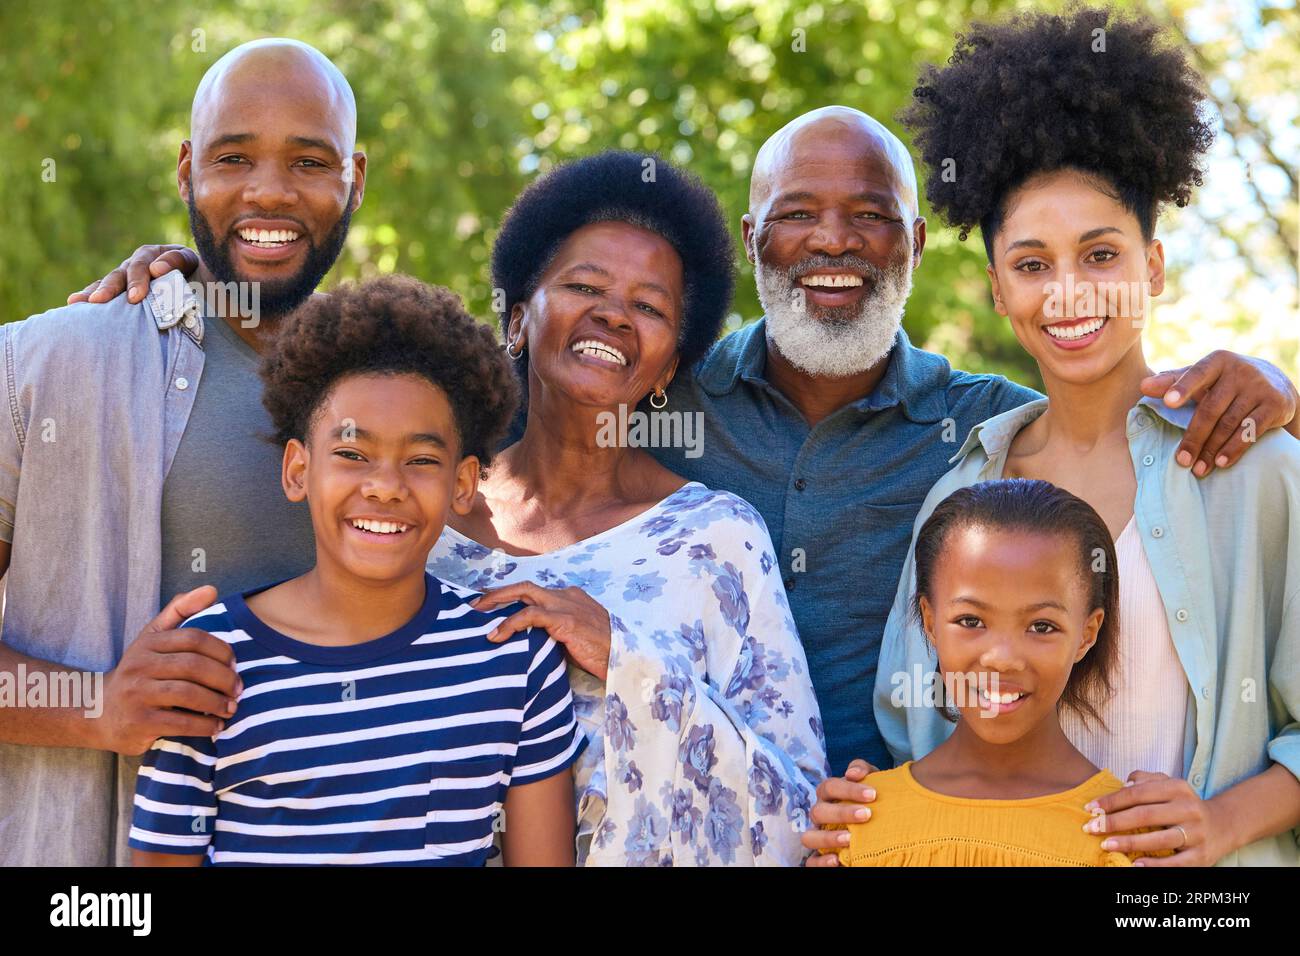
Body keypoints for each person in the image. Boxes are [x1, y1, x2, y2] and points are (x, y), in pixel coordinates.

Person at [867, 6, 1300, 866]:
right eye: (1033, 265)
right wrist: (870, 802)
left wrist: (1226, 820)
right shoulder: (960, 497)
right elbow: (913, 729)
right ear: (997, 289)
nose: (1068, 295)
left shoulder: (1254, 466)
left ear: (1154, 267)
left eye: (1100, 256)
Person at [0, 38, 366, 865]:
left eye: (310, 161)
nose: (268, 191)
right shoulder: (49, 366)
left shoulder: (412, 395)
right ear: (185, 170)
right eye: (233, 157)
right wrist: (94, 708)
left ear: (356, 180)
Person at [427, 151, 827, 865]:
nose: (613, 314)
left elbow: (797, 815)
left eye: (649, 306)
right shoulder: (428, 522)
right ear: (518, 320)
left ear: (669, 364)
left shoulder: (717, 541)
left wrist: (624, 655)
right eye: (584, 286)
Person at [129, 274, 582, 866]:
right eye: (351, 454)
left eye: (421, 460)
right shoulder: (211, 662)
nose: (385, 487)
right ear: (298, 470)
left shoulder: (512, 658)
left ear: (464, 484)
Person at [826, 479, 1164, 866]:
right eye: (971, 620)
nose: (1002, 658)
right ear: (930, 621)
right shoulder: (859, 827)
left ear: (1087, 634)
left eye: (1041, 626)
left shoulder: (1128, 839)